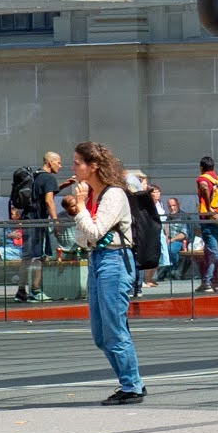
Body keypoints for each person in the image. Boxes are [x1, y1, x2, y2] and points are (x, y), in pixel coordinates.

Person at [64, 142, 146, 405]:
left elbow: (96, 231)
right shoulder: (91, 196)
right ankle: (131, 382)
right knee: (100, 333)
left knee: (113, 327)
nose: (73, 166)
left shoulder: (113, 195)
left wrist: (79, 209)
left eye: (78, 162)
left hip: (115, 260)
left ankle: (131, 385)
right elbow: (82, 238)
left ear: (93, 166)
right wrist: (80, 210)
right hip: (97, 259)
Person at [15, 150, 63, 303]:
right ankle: (35, 291)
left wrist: (62, 186)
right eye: (58, 162)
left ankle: (21, 291)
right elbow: (48, 201)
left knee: (27, 257)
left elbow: (39, 196)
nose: (60, 166)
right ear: (50, 162)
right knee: (39, 257)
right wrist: (55, 221)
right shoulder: (49, 178)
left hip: (28, 219)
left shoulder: (35, 176)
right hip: (38, 222)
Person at [195, 156, 218, 292]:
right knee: (209, 251)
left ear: (202, 167)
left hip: (207, 219)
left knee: (213, 251)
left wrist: (208, 208)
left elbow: (203, 188)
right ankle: (206, 282)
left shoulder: (202, 178)